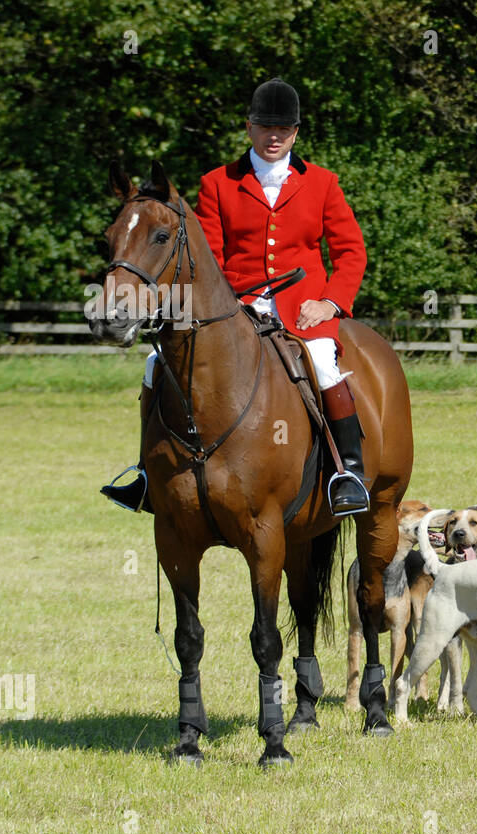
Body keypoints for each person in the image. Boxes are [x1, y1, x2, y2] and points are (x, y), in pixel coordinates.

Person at [101, 77, 371, 516]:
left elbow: (350, 252)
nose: (274, 136)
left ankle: (348, 474)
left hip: (303, 308)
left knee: (323, 361)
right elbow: (209, 257)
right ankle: (147, 472)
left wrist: (330, 302)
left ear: (296, 132)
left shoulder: (322, 183)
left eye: (284, 129)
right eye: (266, 127)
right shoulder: (218, 183)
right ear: (249, 127)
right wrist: (233, 301)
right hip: (235, 305)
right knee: (156, 362)